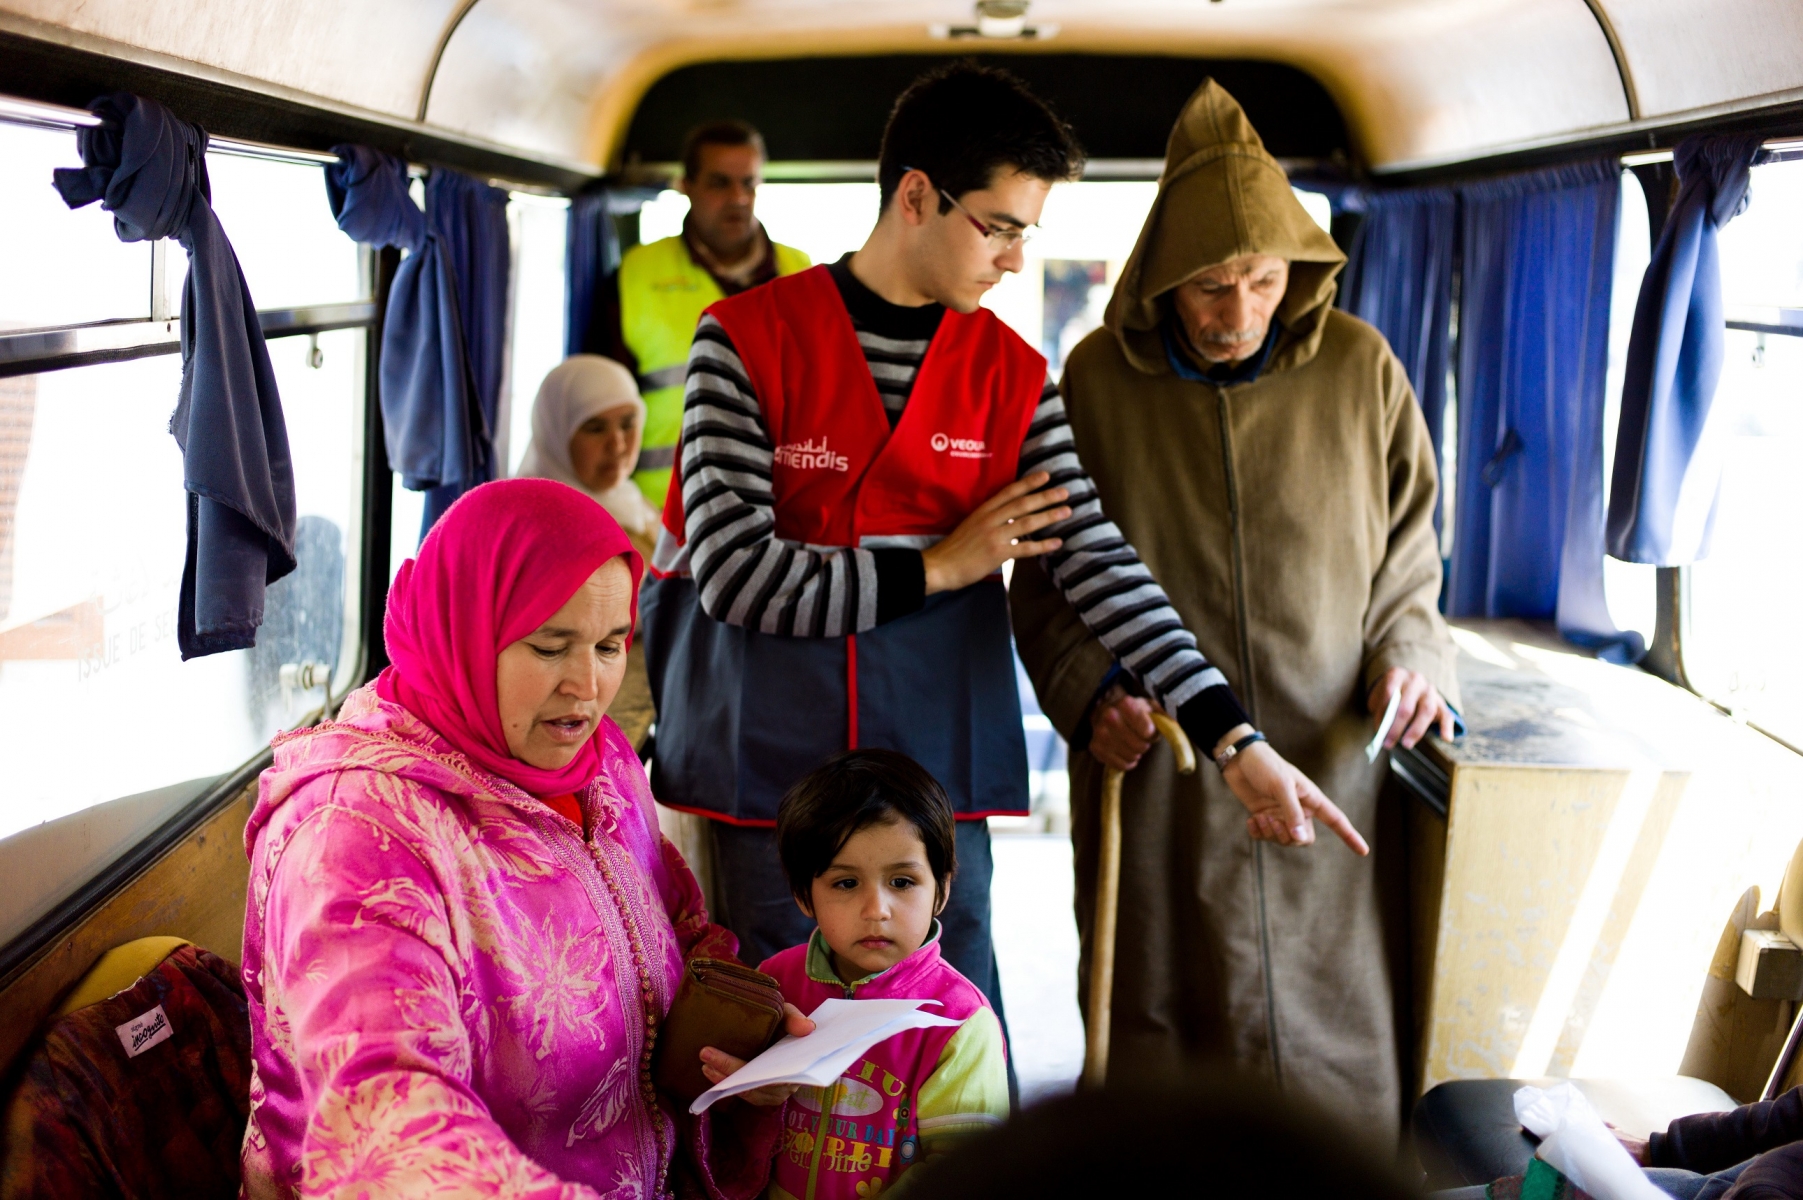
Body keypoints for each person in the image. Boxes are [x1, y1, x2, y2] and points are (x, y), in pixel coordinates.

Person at [643, 62, 1364, 1085]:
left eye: (1031, 232)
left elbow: (1099, 561)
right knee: (770, 1066)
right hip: (772, 782)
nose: (1018, 261)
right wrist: (941, 566)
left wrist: (1232, 737)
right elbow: (737, 578)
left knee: (952, 1063)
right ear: (917, 195)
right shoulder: (746, 343)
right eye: (1001, 226)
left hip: (934, 786)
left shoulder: (1013, 379)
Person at [1008, 79, 1461, 1139]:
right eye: (1210, 287)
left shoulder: (1363, 368)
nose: (1236, 314)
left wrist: (1411, 652)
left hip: (1331, 747)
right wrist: (1090, 697)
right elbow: (1045, 572)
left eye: (1262, 281)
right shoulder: (1093, 383)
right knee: (1166, 1021)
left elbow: (1412, 550)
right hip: (1164, 765)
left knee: (1335, 1029)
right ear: (1162, 281)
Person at [238, 478, 806, 1199]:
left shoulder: (600, 766)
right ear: (463, 630)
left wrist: (744, 1042)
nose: (587, 686)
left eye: (608, 645)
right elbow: (385, 1122)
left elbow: (675, 929)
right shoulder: (355, 836)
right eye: (548, 646)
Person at [707, 749, 1011, 1200]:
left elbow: (965, 1171)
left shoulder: (959, 1024)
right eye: (845, 883)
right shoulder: (773, 986)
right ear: (804, 896)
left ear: (942, 888)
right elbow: (732, 1121)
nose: (876, 911)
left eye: (902, 882)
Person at [583, 120, 811, 509]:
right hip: (663, 515)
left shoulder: (803, 274)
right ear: (685, 186)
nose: (738, 198)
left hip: (779, 507)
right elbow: (596, 406)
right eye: (720, 183)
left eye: (749, 184)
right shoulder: (636, 275)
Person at [517, 355, 660, 749]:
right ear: (556, 432)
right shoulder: (543, 521)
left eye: (629, 423)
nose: (618, 444)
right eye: (595, 428)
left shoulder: (627, 498)